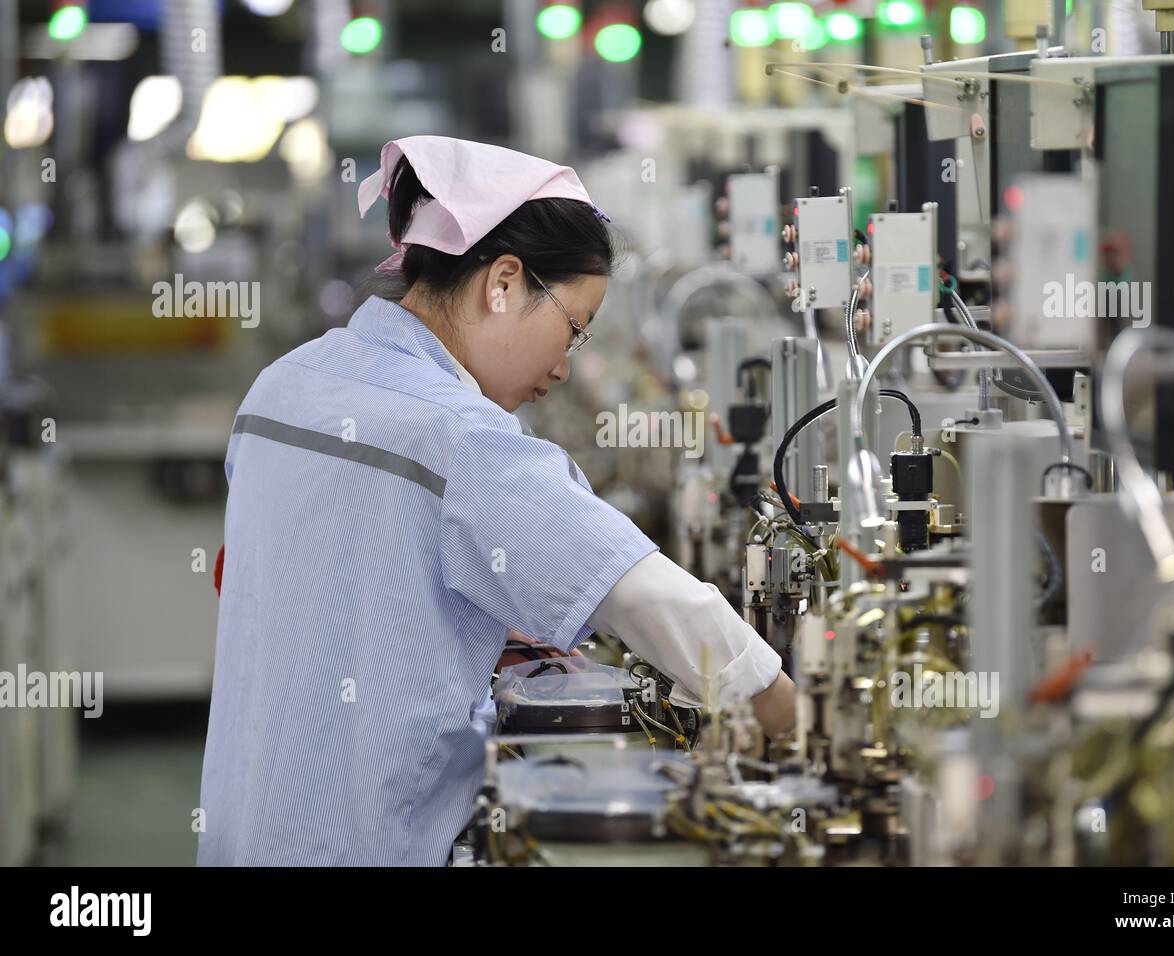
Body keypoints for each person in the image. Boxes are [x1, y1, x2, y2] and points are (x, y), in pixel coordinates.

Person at [197, 136, 796, 866]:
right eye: (572, 329)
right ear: (503, 281)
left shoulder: (280, 388)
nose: (564, 365)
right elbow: (647, 598)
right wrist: (786, 712)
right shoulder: (463, 439)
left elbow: (328, 583)